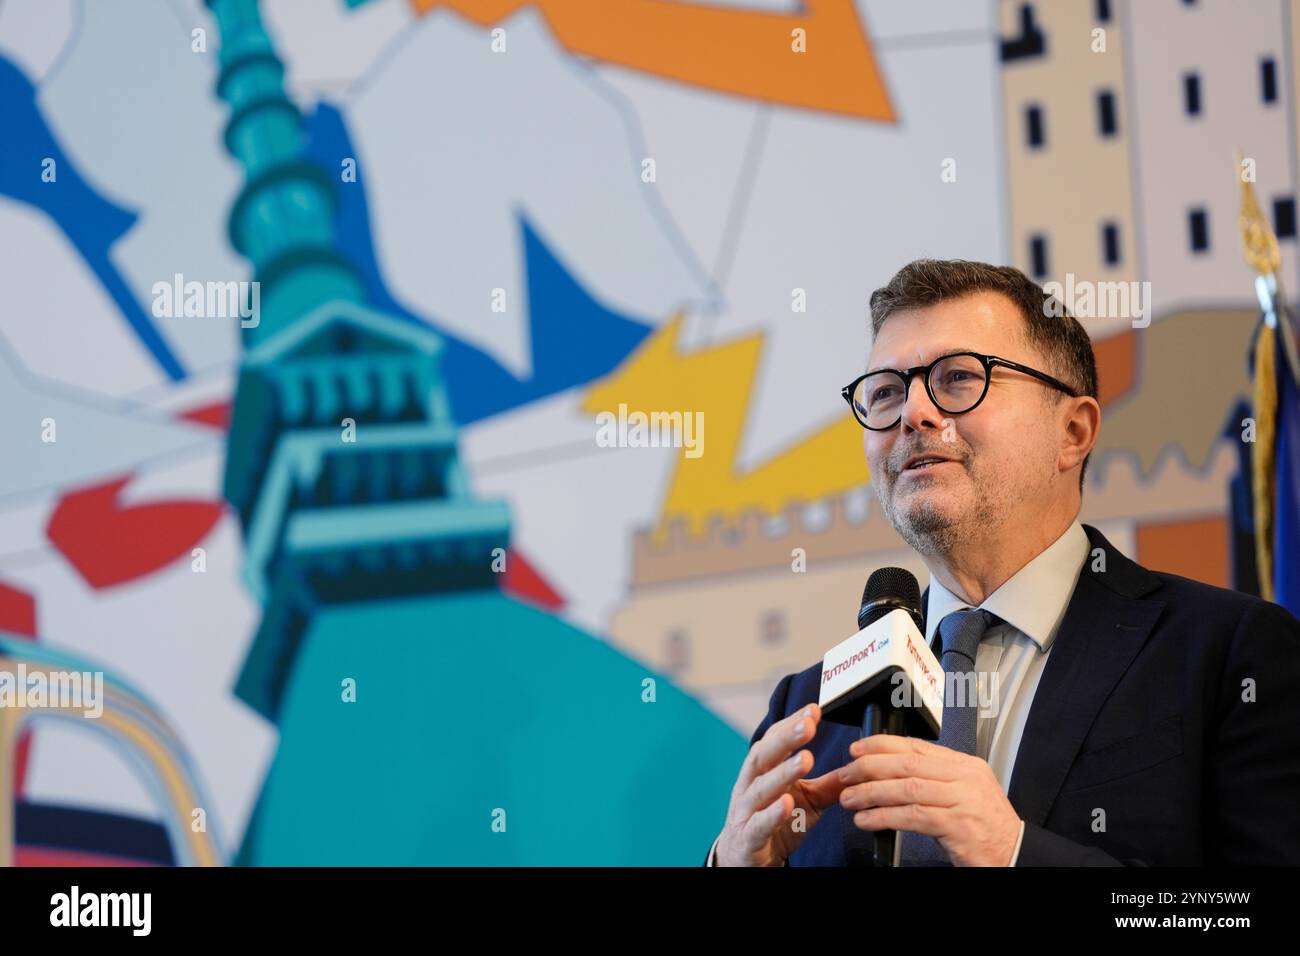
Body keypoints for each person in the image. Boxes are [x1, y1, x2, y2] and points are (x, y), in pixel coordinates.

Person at [708, 259, 1300, 866]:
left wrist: (1016, 854)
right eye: (886, 391)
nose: (913, 413)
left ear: (1073, 431)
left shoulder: (1227, 654)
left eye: (959, 378)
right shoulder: (807, 709)